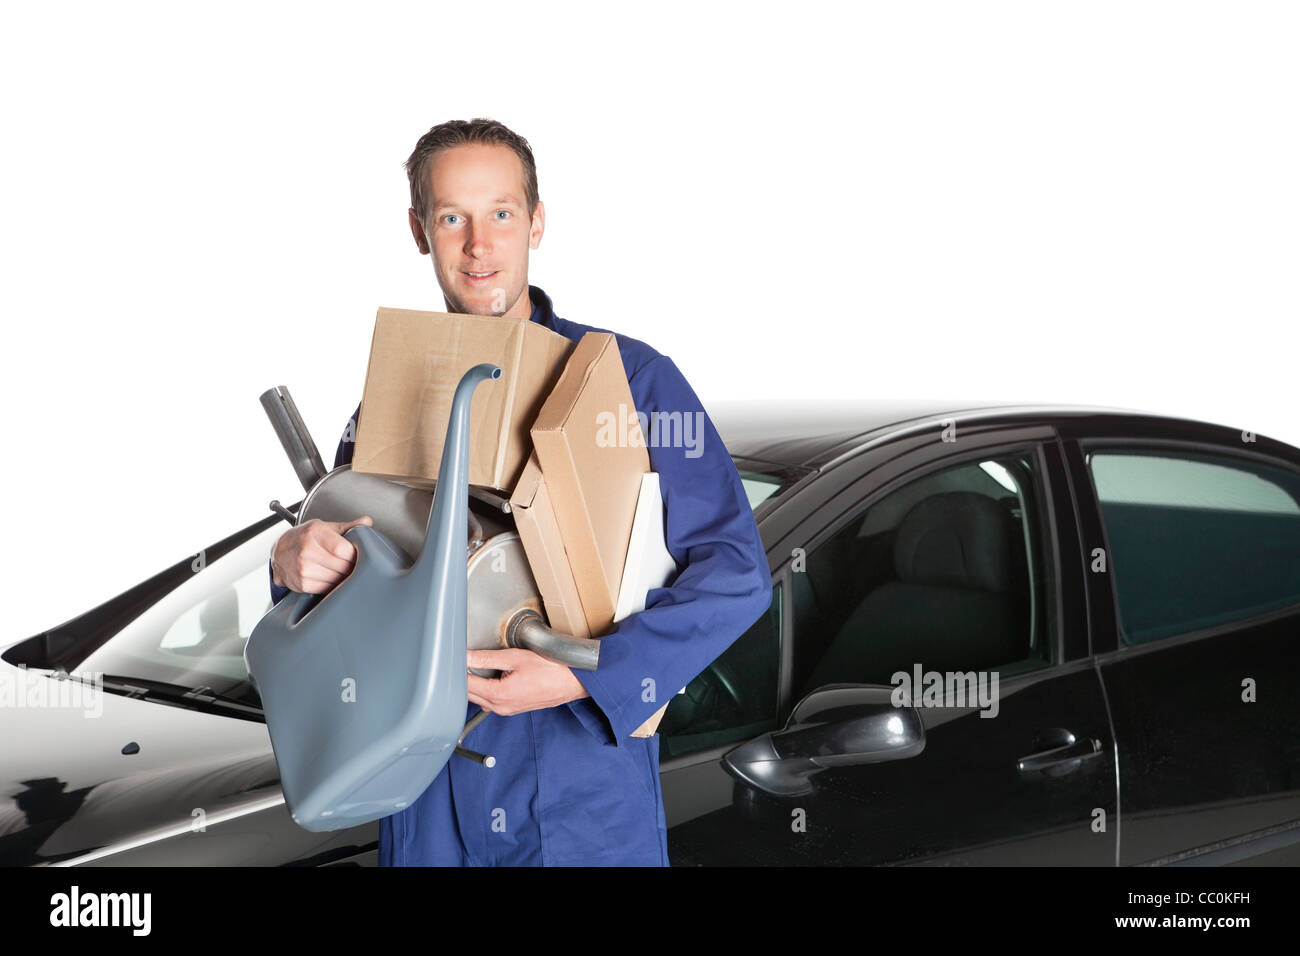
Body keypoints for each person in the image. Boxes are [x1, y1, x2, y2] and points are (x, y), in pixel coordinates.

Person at [267, 118, 770, 865]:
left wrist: (581, 675)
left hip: (579, 803)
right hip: (425, 796)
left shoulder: (630, 382)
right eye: (451, 218)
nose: (479, 245)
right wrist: (293, 560)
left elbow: (736, 574)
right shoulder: (385, 404)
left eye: (501, 213)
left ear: (536, 221)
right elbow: (341, 604)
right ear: (419, 230)